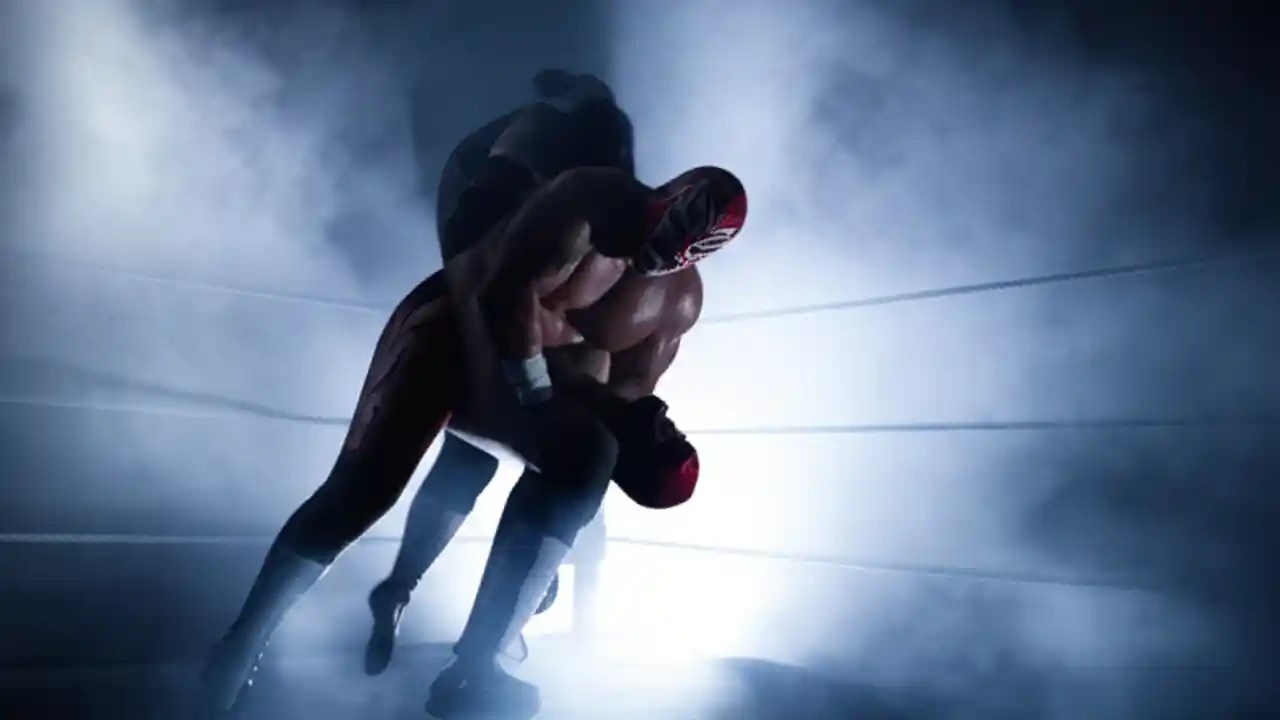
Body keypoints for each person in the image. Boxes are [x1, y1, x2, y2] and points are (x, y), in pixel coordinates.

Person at [198, 107, 748, 720]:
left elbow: (617, 403)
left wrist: (644, 453)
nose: (645, 252)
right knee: (359, 495)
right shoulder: (586, 200)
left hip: (521, 385)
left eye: (666, 250)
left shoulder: (676, 305)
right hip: (452, 335)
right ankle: (240, 647)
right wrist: (544, 401)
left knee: (587, 456)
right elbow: (501, 295)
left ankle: (474, 666)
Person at [362, 70, 636, 677]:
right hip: (492, 253)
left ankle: (412, 588)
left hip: (504, 251)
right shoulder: (540, 153)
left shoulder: (574, 175)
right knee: (529, 441)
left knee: (499, 445)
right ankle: (526, 594)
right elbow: (485, 253)